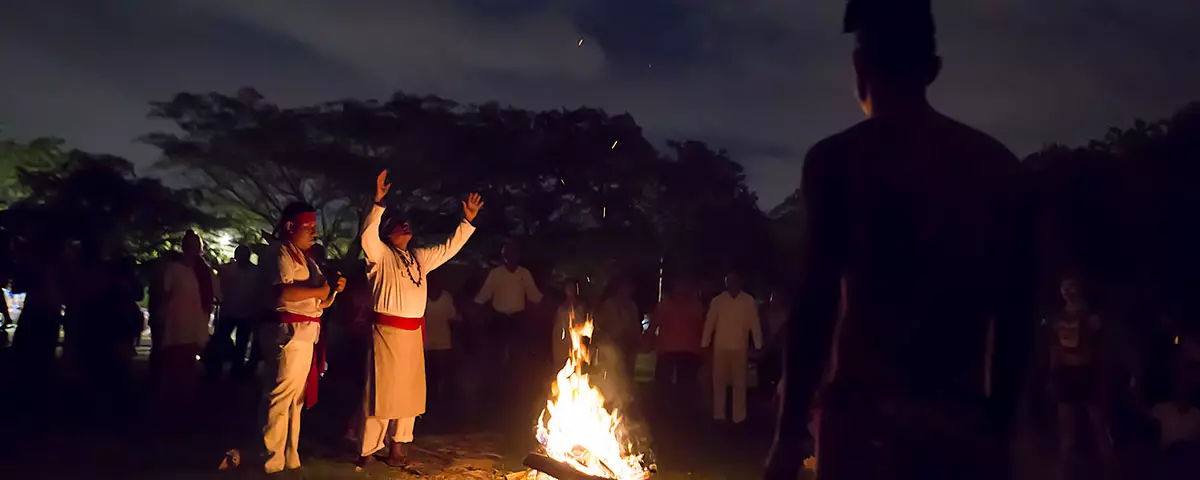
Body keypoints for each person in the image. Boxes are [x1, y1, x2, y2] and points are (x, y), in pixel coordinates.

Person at [765, 1, 1034, 478]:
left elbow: (816, 302)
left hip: (864, 421)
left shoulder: (839, 161)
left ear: (859, 68)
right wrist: (997, 427)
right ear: (933, 69)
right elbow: (1016, 315)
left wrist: (789, 437)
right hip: (958, 417)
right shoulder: (996, 166)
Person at [358, 170, 481, 467]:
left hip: (413, 334)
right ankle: (369, 449)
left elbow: (449, 248)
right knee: (382, 392)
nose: (405, 226)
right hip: (386, 333)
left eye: (407, 224)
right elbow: (366, 236)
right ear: (387, 232)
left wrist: (468, 221)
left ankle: (398, 447)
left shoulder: (419, 258)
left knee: (410, 394)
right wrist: (377, 202)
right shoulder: (380, 255)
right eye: (398, 224)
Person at [258, 203, 345, 474]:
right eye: (309, 228)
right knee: (281, 396)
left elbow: (317, 301)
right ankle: (270, 459)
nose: (314, 234)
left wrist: (332, 292)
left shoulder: (305, 257)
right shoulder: (278, 252)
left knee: (295, 399)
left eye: (314, 229)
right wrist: (320, 292)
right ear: (290, 227)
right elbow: (282, 293)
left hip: (306, 334)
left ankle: (289, 455)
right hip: (288, 334)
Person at [1047, 276, 1112, 472]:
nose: (1068, 291)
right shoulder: (1059, 317)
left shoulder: (1090, 316)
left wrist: (1101, 375)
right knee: (1067, 430)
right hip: (1066, 375)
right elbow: (1055, 348)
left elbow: (1101, 346)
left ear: (1080, 288)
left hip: (1087, 373)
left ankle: (1112, 469)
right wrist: (1053, 373)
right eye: (1064, 287)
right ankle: (1063, 471)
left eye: (1072, 286)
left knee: (1099, 425)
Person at [155, 230, 215, 405]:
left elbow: (214, 295)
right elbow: (165, 293)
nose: (193, 250)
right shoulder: (174, 268)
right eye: (190, 246)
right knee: (175, 361)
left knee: (189, 362)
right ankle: (173, 398)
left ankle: (186, 400)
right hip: (177, 321)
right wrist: (161, 314)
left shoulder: (204, 271)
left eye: (196, 246)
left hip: (197, 321)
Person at [473, 241, 543, 379]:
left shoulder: (524, 273)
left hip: (518, 319)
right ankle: (497, 385)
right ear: (503, 256)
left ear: (518, 256)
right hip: (500, 319)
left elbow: (534, 295)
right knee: (496, 355)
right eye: (508, 254)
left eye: (514, 254)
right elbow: (484, 294)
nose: (511, 258)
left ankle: (516, 385)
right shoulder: (496, 274)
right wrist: (475, 308)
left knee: (518, 356)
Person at [701, 272, 762, 425]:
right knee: (719, 381)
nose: (732, 283)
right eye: (729, 281)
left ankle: (739, 417)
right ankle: (719, 415)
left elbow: (754, 323)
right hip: (721, 347)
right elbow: (710, 323)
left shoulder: (748, 301)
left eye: (735, 280)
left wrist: (758, 343)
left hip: (739, 347)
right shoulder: (718, 301)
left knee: (739, 383)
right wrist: (705, 343)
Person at [648, 279, 705, 406]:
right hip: (684, 352)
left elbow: (653, 326)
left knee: (670, 386)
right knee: (682, 387)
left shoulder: (667, 305)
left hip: (675, 351)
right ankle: (678, 412)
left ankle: (668, 411)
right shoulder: (693, 306)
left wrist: (649, 340)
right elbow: (702, 329)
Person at [208, 245, 261, 379]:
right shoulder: (230, 269)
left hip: (245, 314)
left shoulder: (255, 272)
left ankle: (234, 371)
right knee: (224, 341)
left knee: (240, 344)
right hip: (230, 312)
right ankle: (219, 369)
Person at [424, 274, 458, 405]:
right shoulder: (423, 297)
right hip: (425, 342)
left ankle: (440, 395)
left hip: (443, 341)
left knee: (441, 370)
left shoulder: (446, 297)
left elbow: (452, 317)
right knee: (428, 370)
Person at [551, 278, 588, 369]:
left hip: (578, 344)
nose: (570, 290)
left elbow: (584, 326)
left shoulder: (581, 307)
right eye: (568, 287)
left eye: (572, 287)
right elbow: (557, 330)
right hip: (563, 345)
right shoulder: (560, 309)